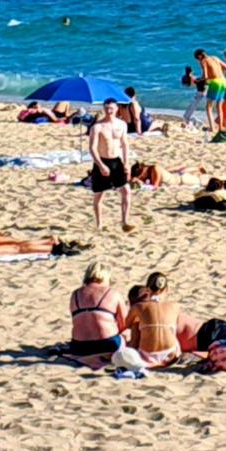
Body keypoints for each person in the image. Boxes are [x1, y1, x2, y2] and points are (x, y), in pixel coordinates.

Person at [67, 263, 129, 369]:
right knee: (129, 332)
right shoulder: (112, 293)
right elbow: (125, 325)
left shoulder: (75, 294)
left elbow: (77, 321)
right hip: (108, 344)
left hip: (79, 347)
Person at [89, 99, 135, 232]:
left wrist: (126, 163)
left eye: (111, 109)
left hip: (116, 161)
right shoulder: (97, 127)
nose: (109, 111)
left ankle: (124, 221)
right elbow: (92, 148)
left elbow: (125, 145)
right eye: (107, 108)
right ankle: (99, 224)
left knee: (126, 190)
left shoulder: (122, 124)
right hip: (102, 161)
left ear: (117, 109)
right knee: (99, 195)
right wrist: (101, 165)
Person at [124, 277, 182, 367]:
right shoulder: (174, 305)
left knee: (136, 325)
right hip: (171, 354)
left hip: (147, 355)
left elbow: (127, 325)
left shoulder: (137, 306)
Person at [194, 49, 226, 134]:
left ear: (199, 56)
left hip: (215, 83)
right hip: (223, 80)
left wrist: (199, 80)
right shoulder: (215, 57)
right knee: (219, 106)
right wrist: (218, 73)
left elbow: (205, 76)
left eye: (198, 59)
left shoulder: (203, 61)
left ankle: (212, 128)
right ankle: (220, 127)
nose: (199, 60)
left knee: (209, 106)